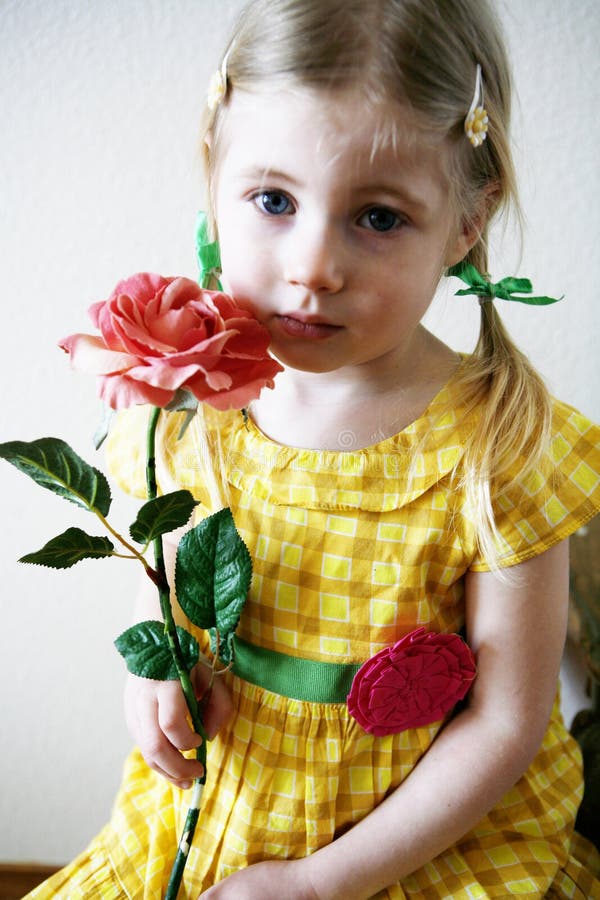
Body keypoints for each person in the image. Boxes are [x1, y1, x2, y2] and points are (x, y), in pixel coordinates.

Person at [29, 0, 600, 897]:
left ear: (466, 221)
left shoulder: (506, 446)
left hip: (423, 845)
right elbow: (186, 609)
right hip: (228, 809)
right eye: (272, 199)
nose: (312, 265)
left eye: (377, 218)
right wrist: (156, 684)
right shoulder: (184, 409)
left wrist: (319, 884)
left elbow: (505, 721)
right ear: (213, 177)